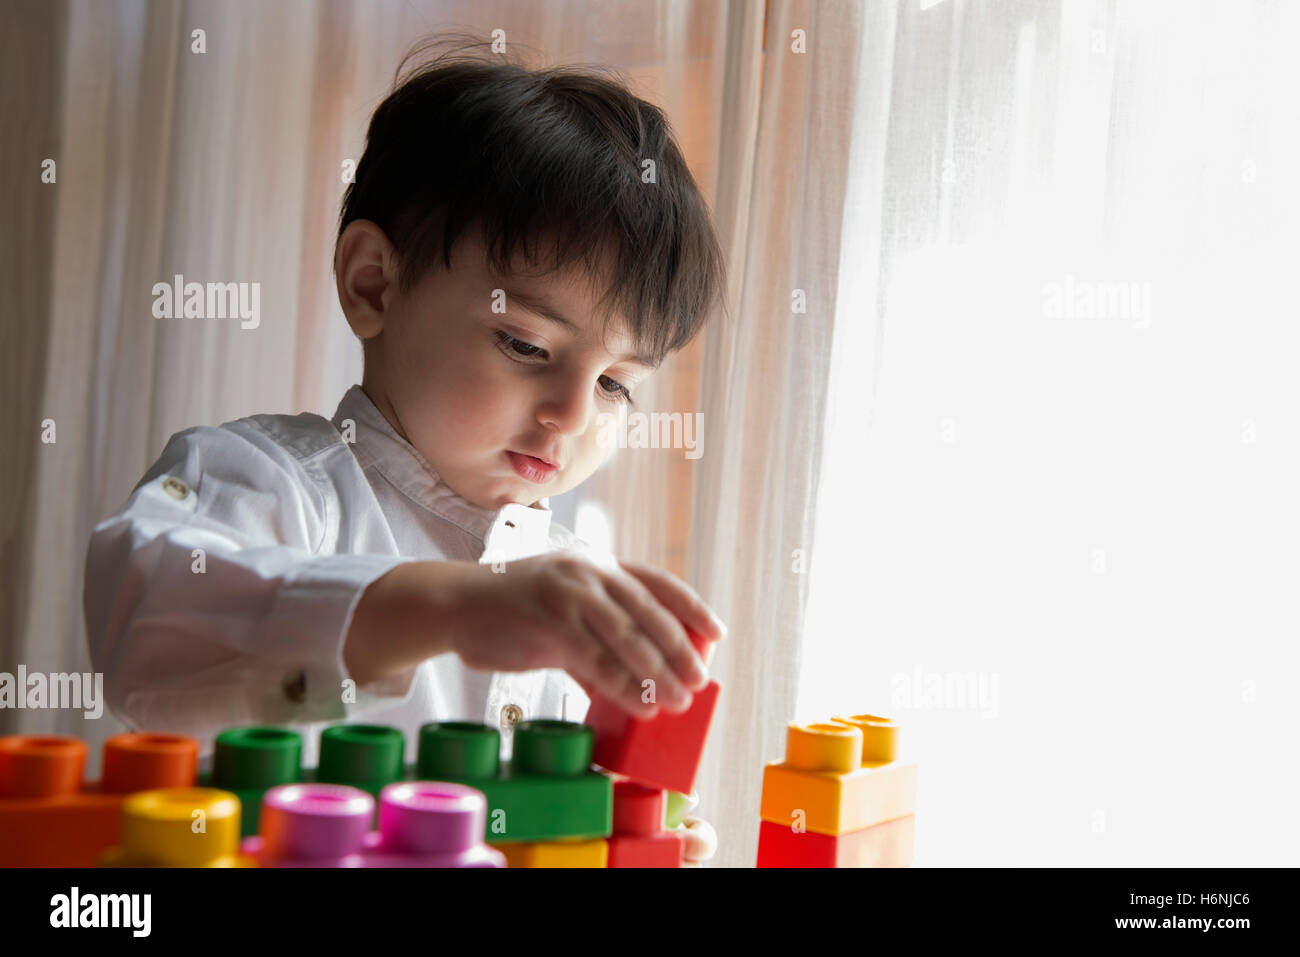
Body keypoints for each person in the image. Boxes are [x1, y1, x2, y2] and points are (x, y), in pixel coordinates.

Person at [83, 36, 727, 863]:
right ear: (374, 284)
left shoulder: (571, 584)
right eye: (526, 344)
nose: (571, 413)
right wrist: (464, 607)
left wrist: (625, 828)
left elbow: (550, 815)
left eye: (614, 383)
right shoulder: (267, 482)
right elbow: (146, 622)